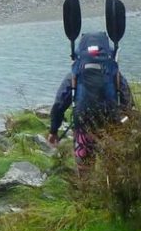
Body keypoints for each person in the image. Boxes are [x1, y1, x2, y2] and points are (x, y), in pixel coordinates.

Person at [46, 31, 132, 161]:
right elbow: (128, 102)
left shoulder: (75, 76)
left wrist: (53, 130)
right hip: (111, 126)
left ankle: (85, 179)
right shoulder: (114, 74)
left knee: (85, 168)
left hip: (83, 125)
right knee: (112, 166)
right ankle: (110, 180)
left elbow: (59, 103)